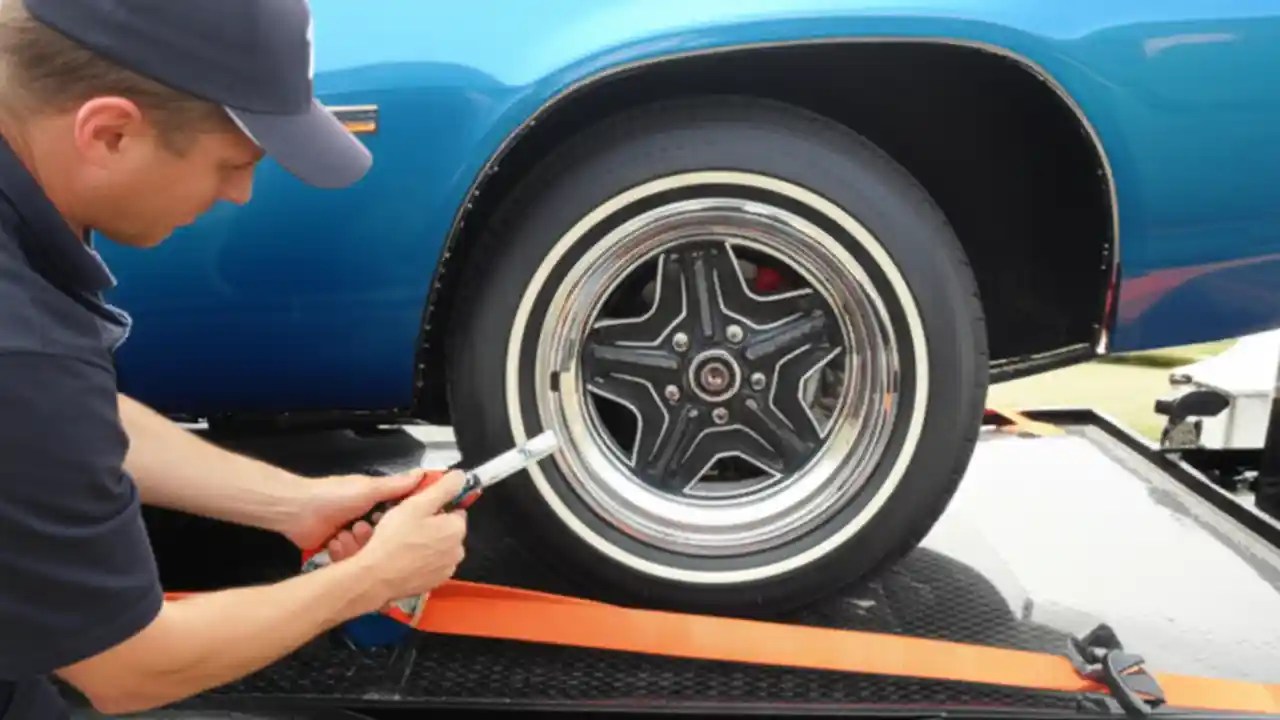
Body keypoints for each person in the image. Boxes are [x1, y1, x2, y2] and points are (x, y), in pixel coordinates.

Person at [0, 1, 469, 717]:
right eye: (232, 163)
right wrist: (369, 580)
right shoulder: (23, 339)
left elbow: (58, 425)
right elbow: (128, 668)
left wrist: (298, 505)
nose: (240, 193)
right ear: (109, 133)